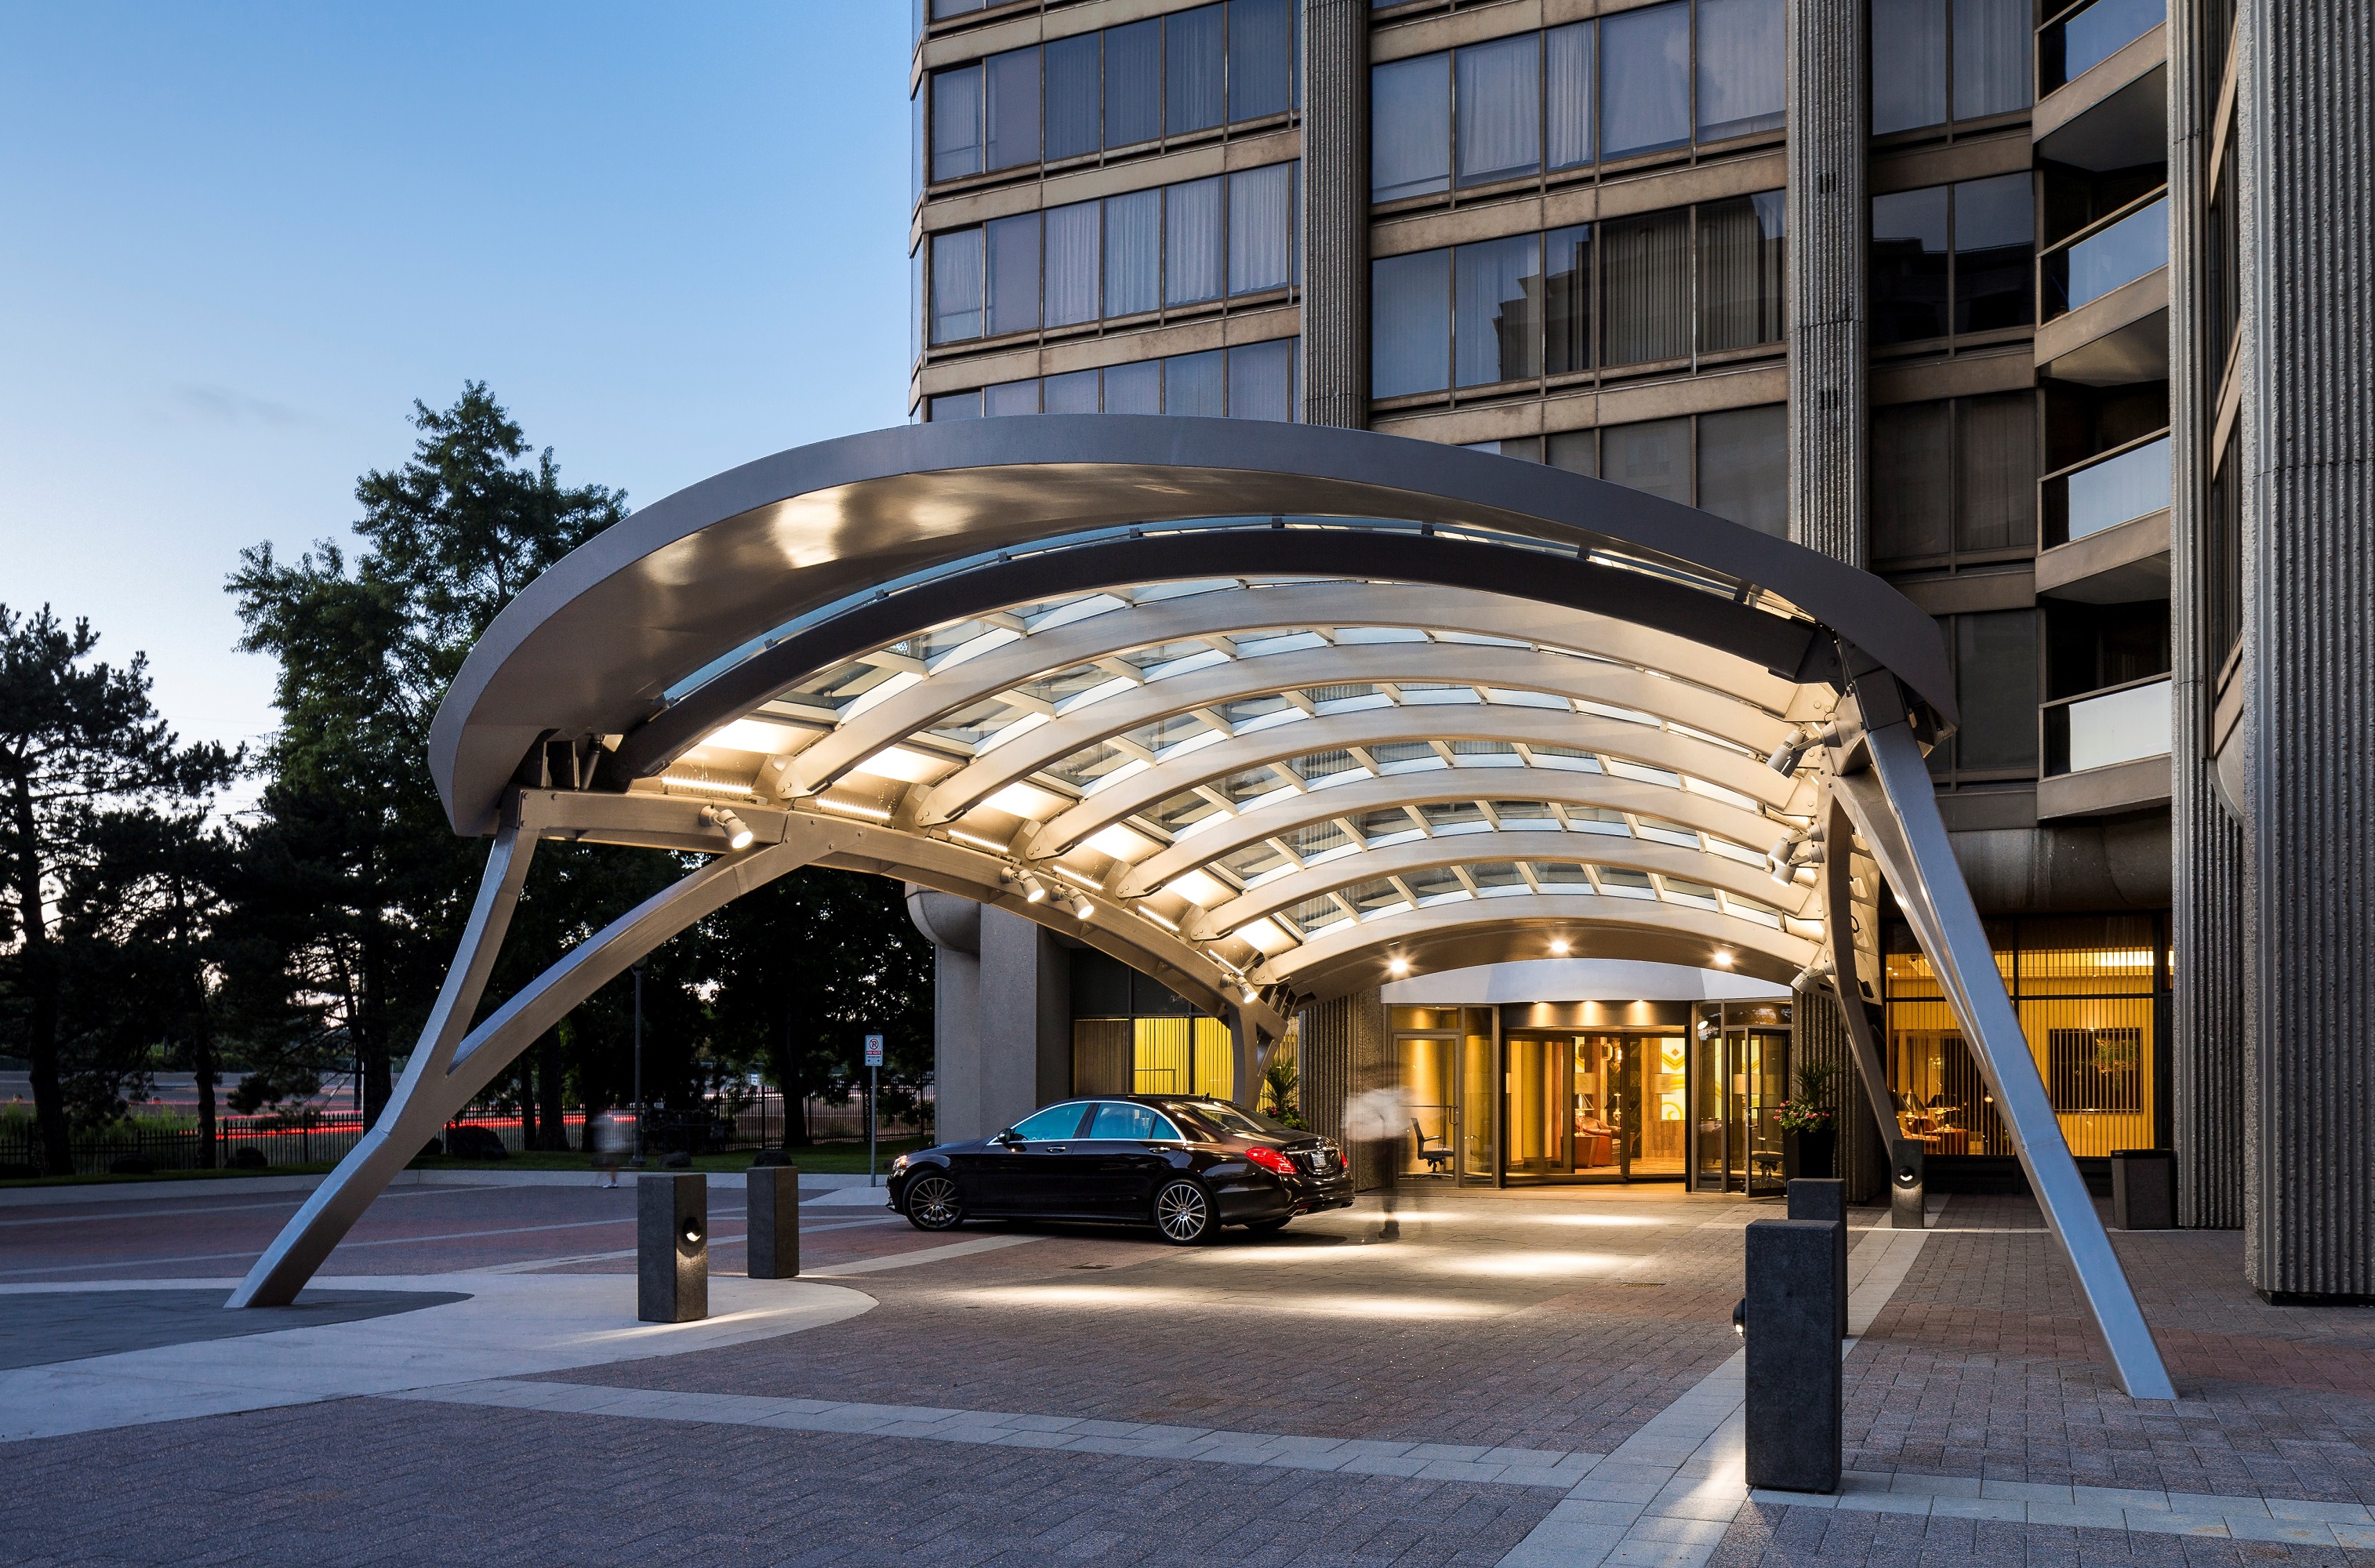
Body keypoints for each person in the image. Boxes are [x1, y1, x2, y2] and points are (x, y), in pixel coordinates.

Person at [1340, 1084, 1410, 1240]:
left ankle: (1391, 1225)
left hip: (1387, 1146)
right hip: (1387, 1146)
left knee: (1387, 1187)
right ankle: (1389, 1223)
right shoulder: (1382, 1098)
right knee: (1387, 1187)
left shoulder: (1378, 1099)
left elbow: (1388, 1125)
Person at [591, 1109, 633, 1189]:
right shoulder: (609, 1119)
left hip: (611, 1147)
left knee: (610, 1164)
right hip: (614, 1146)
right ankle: (612, 1180)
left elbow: (595, 1124)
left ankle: (613, 1181)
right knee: (611, 1164)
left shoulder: (603, 1119)